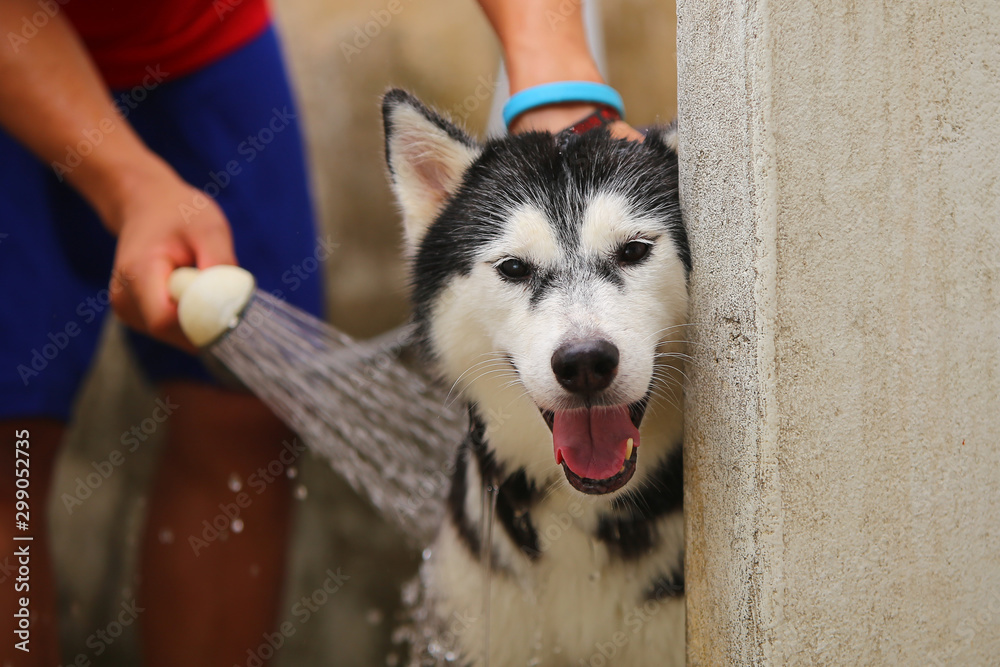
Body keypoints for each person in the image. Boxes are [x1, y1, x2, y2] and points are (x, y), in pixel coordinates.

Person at [0, 0, 642, 664]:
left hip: (199, 31)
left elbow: (558, 79)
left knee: (249, 404)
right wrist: (128, 185)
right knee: (11, 442)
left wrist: (558, 78)